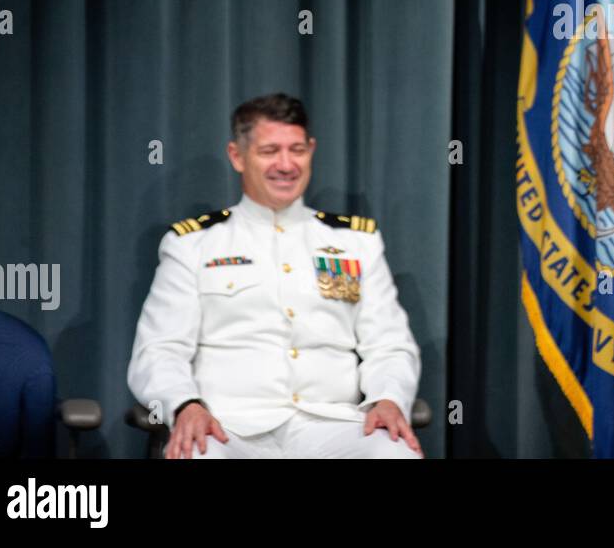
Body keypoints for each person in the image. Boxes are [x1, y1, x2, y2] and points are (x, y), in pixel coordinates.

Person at [127, 93, 423, 458]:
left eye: (297, 150)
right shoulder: (194, 244)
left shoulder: (355, 242)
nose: (286, 165)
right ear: (237, 156)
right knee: (195, 453)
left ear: (311, 150)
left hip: (331, 425)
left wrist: (388, 399)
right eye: (269, 151)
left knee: (395, 452)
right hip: (228, 427)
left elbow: (389, 345)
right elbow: (159, 349)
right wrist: (184, 405)